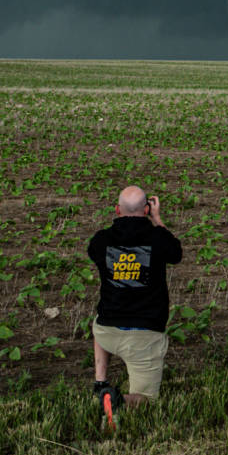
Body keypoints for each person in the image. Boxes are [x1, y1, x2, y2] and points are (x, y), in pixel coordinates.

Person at [86, 185, 183, 431]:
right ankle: (116, 401)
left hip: (108, 331)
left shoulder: (101, 240)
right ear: (147, 209)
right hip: (143, 336)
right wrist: (158, 220)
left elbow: (93, 252)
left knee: (99, 319)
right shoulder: (158, 238)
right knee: (147, 400)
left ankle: (100, 381)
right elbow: (176, 253)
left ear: (117, 209)